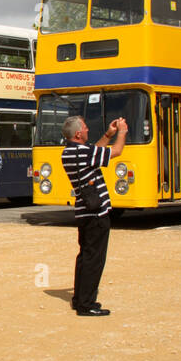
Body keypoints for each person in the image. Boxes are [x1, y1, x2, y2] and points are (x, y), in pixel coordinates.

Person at [62, 115, 127, 317]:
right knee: (94, 259)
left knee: (85, 258)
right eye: (86, 127)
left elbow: (95, 152)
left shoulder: (70, 152)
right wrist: (122, 132)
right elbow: (116, 151)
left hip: (84, 211)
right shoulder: (82, 152)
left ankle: (79, 299)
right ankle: (86, 304)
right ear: (78, 133)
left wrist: (108, 134)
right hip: (96, 213)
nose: (89, 129)